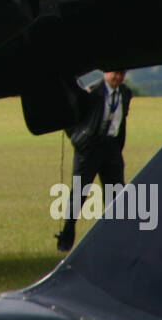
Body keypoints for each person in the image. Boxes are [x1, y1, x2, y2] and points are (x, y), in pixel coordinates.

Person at [55, 70, 132, 253]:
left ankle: (116, 238)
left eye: (122, 74)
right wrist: (77, 139)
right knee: (79, 193)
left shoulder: (125, 93)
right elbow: (70, 114)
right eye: (115, 73)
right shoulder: (91, 93)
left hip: (112, 147)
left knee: (117, 193)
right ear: (106, 72)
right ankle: (66, 237)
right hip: (90, 147)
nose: (118, 77)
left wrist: (117, 145)